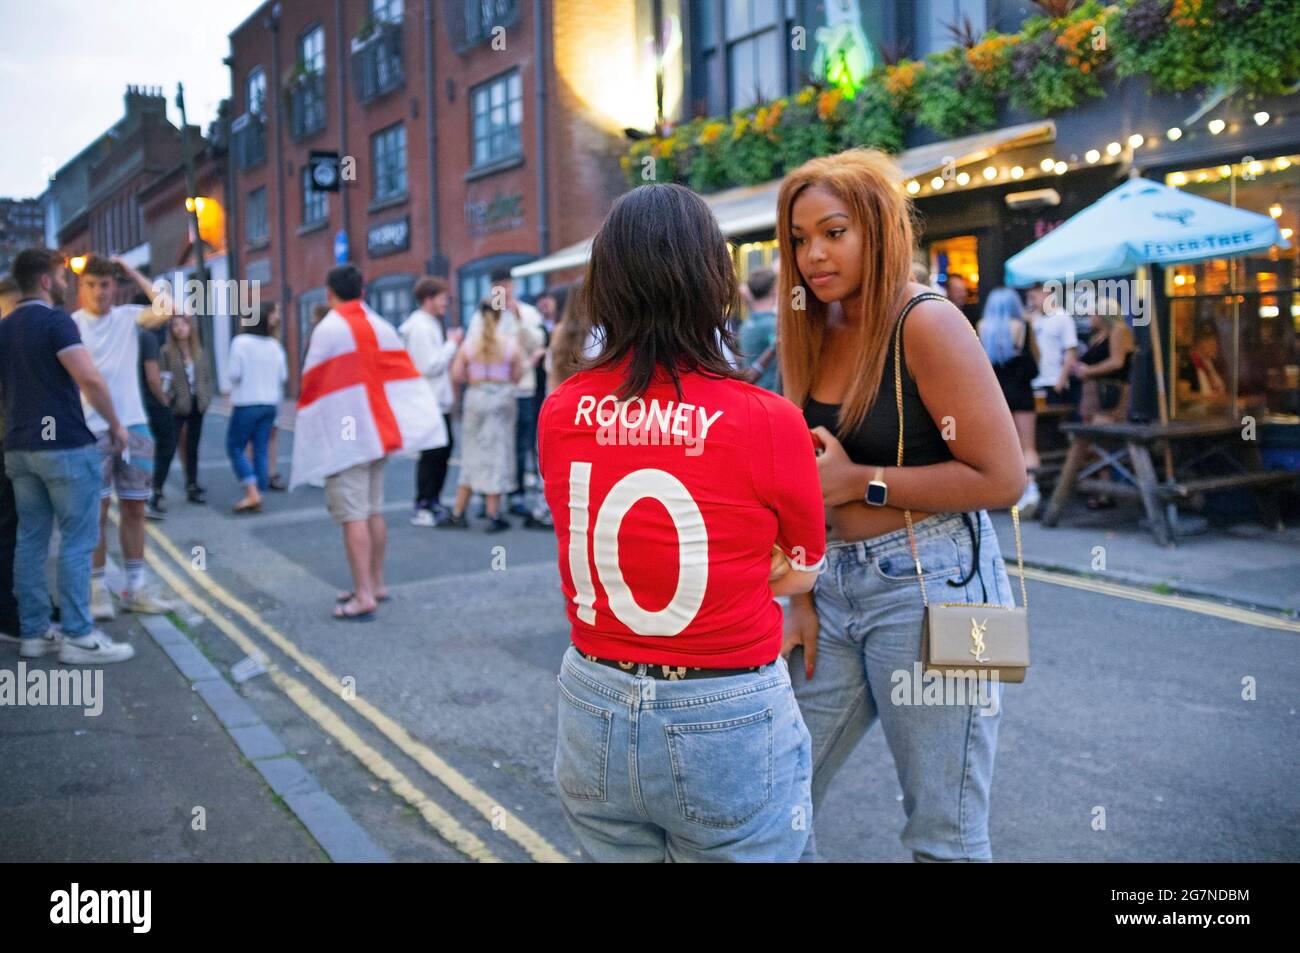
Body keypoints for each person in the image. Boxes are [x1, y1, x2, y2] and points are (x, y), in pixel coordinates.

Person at [539, 183, 826, 862]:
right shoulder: (768, 419)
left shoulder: (559, 411)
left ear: (604, 285)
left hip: (593, 699)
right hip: (723, 707)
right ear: (714, 283)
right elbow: (803, 566)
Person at [777, 149, 1025, 862]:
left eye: (832, 231)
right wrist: (798, 590)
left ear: (878, 230)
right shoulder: (813, 328)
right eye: (798, 239)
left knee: (942, 832)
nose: (813, 254)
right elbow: (803, 475)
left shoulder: (926, 321)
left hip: (933, 587)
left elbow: (1002, 477)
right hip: (830, 587)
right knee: (769, 796)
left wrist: (863, 481)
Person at [0, 249, 135, 662]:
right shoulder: (55, 322)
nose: (66, 283)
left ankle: (36, 633)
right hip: (64, 447)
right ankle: (78, 636)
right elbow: (88, 377)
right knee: (79, 539)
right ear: (45, 280)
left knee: (31, 540)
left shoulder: (4, 328)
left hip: (19, 448)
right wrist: (115, 424)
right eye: (62, 275)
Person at [291, 264, 446, 621]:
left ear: (330, 292)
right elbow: (402, 375)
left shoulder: (328, 328)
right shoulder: (380, 325)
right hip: (377, 432)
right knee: (373, 510)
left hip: (347, 441)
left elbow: (312, 383)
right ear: (362, 291)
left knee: (353, 515)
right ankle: (375, 583)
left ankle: (362, 595)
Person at [72, 254, 174, 619]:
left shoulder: (129, 318)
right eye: (92, 285)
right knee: (95, 513)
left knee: (135, 508)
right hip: (89, 429)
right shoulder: (70, 325)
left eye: (105, 284)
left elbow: (167, 307)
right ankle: (97, 591)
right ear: (80, 287)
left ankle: (136, 588)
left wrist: (130, 269)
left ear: (115, 287)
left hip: (134, 425)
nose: (99, 292)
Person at [439, 299, 523, 532]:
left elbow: (457, 375)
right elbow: (518, 374)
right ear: (499, 317)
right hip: (502, 398)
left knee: (472, 451)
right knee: (498, 450)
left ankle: (458, 511)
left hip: (476, 396)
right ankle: (493, 513)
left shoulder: (469, 344)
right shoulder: (509, 344)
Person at [470, 269, 546, 517]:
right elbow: (472, 345)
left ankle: (517, 494)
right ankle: (486, 496)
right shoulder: (482, 315)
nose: (504, 292)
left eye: (507, 286)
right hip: (491, 389)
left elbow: (537, 343)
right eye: (498, 287)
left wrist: (517, 317)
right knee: (489, 443)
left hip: (521, 387)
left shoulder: (527, 313)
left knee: (520, 443)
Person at [400, 276, 463, 526]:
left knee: (441, 451)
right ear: (428, 299)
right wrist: (452, 345)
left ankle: (431, 501)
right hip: (429, 402)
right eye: (441, 297)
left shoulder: (427, 324)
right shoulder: (421, 327)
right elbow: (430, 365)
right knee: (433, 452)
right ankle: (424, 504)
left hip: (435, 401)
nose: (446, 301)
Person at [978, 287, 1041, 517]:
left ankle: (1003, 492)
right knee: (1028, 446)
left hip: (994, 395)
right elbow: (1035, 363)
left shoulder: (982, 327)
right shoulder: (1023, 326)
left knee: (1000, 446)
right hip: (1021, 391)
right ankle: (1030, 490)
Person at [1071, 296, 1135, 509]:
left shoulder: (1118, 331)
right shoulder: (1097, 336)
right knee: (1094, 443)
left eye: (1093, 313)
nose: (1090, 317)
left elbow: (1117, 362)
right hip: (1092, 393)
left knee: (1100, 440)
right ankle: (1102, 489)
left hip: (1110, 394)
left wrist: (1089, 370)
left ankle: (1105, 491)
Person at [225, 306, 287, 513]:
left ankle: (252, 492)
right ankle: (258, 494)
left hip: (246, 403)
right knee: (260, 450)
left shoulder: (240, 343)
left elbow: (234, 374)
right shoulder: (274, 345)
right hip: (269, 404)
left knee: (235, 447)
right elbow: (283, 376)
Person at [156, 312, 214, 503]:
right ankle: (156, 488)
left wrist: (206, 397)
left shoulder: (199, 351)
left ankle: (192, 485)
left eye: (184, 324)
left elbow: (207, 377)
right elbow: (163, 380)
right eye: (176, 325)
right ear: (171, 330)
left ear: (191, 328)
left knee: (193, 446)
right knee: (169, 447)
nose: (180, 328)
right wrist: (170, 399)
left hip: (197, 404)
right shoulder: (166, 352)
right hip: (177, 407)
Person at [139, 296, 172, 521]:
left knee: (142, 450)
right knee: (165, 447)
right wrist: (164, 400)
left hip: (137, 403)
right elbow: (152, 377)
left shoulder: (133, 334)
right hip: (152, 403)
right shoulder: (149, 337)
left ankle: (143, 496)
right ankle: (152, 493)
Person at [1026, 282, 1079, 408]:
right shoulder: (1035, 319)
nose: (1032, 303)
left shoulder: (1063, 317)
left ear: (1047, 294)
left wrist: (1059, 384)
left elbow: (1071, 352)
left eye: (1034, 297)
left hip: (1054, 382)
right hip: (1035, 383)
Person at [739, 266, 780, 392]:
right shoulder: (773, 325)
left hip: (754, 394)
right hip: (771, 395)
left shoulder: (746, 324)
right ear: (774, 290)